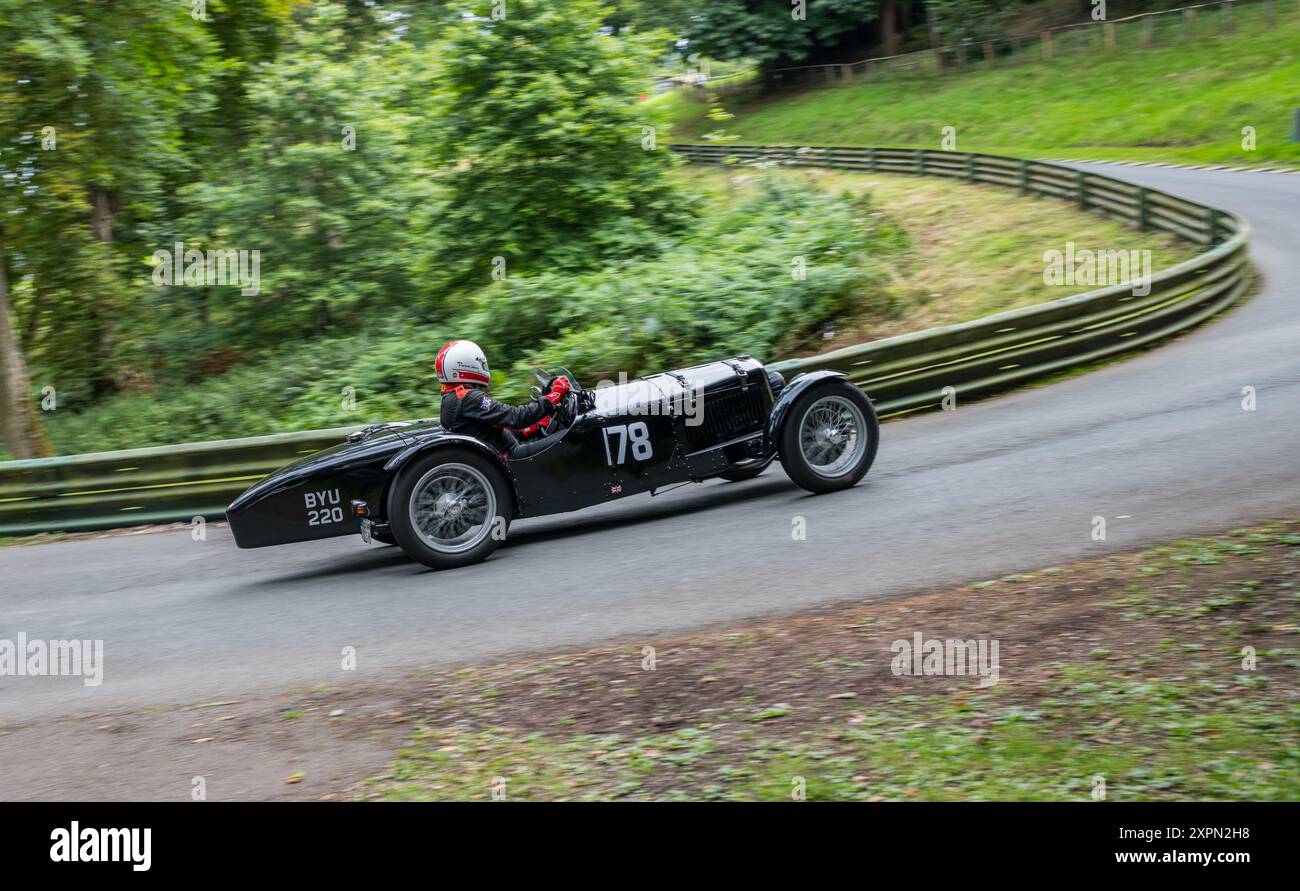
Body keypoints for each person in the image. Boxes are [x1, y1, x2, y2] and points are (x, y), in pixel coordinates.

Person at [435, 339, 570, 457]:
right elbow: (516, 417)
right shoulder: (468, 398)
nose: (483, 368)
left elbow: (490, 428)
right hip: (510, 455)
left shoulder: (449, 397)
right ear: (465, 365)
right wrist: (553, 396)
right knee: (571, 436)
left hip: (500, 450)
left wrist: (533, 426)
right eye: (481, 364)